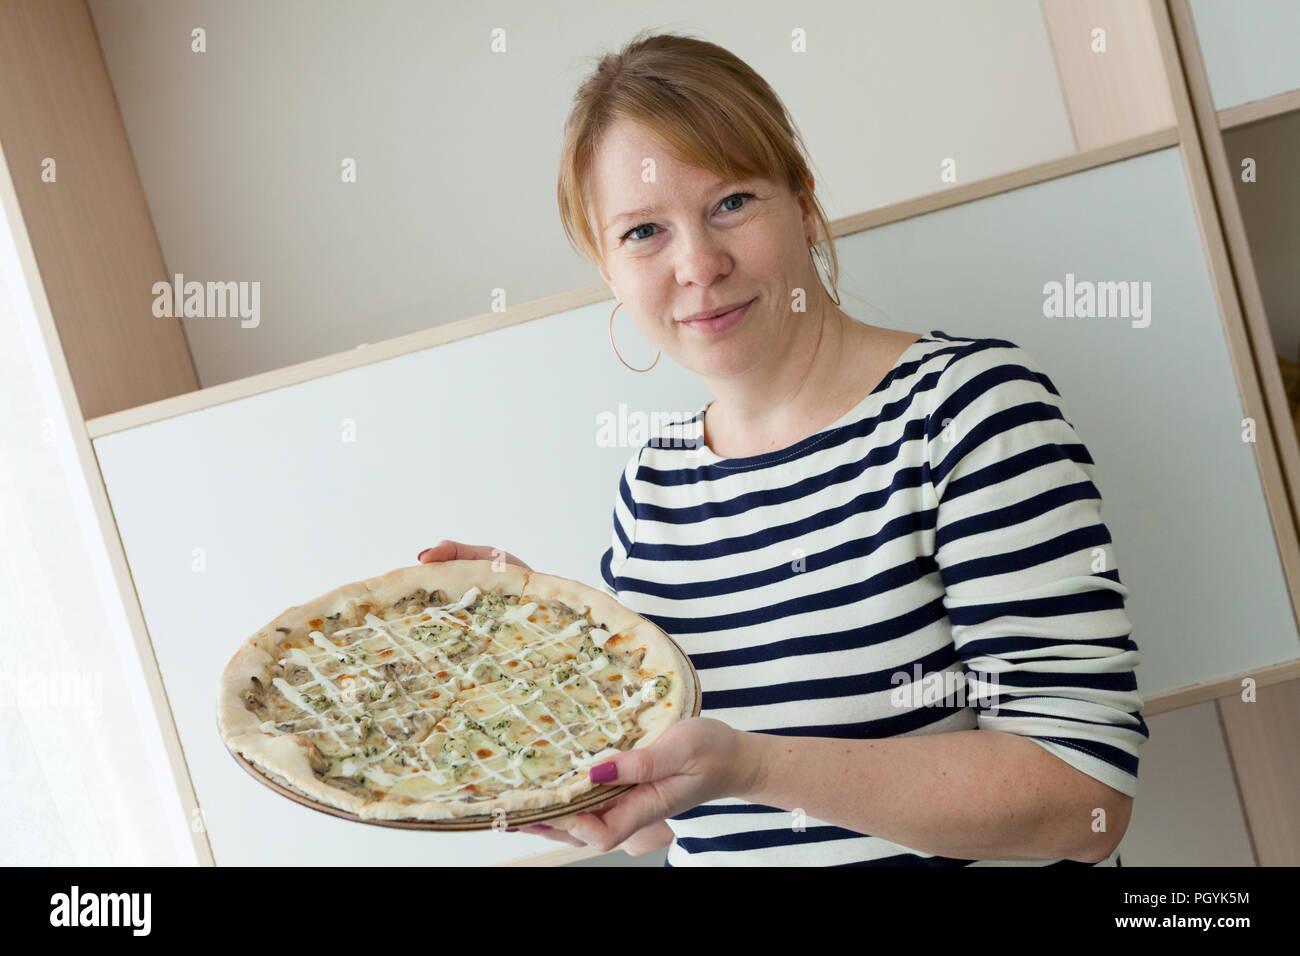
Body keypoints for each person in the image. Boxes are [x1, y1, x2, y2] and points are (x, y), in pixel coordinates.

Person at [417, 30, 1148, 866]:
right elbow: (658, 819)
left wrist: (756, 765)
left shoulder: (964, 411)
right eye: (643, 233)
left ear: (801, 203)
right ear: (607, 269)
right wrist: (547, 652)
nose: (698, 264)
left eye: (730, 202)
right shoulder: (651, 492)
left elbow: (1081, 801)